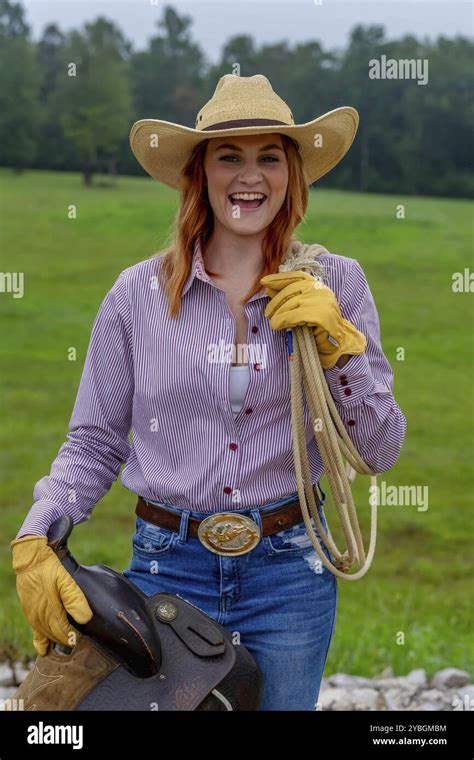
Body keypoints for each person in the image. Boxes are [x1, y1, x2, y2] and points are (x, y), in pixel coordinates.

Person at [11, 74, 406, 711]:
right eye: (230, 156)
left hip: (290, 571)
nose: (250, 177)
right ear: (200, 172)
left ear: (291, 174)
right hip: (170, 569)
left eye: (268, 157)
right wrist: (38, 536)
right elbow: (92, 445)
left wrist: (340, 348)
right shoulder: (135, 296)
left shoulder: (338, 287)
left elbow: (381, 448)